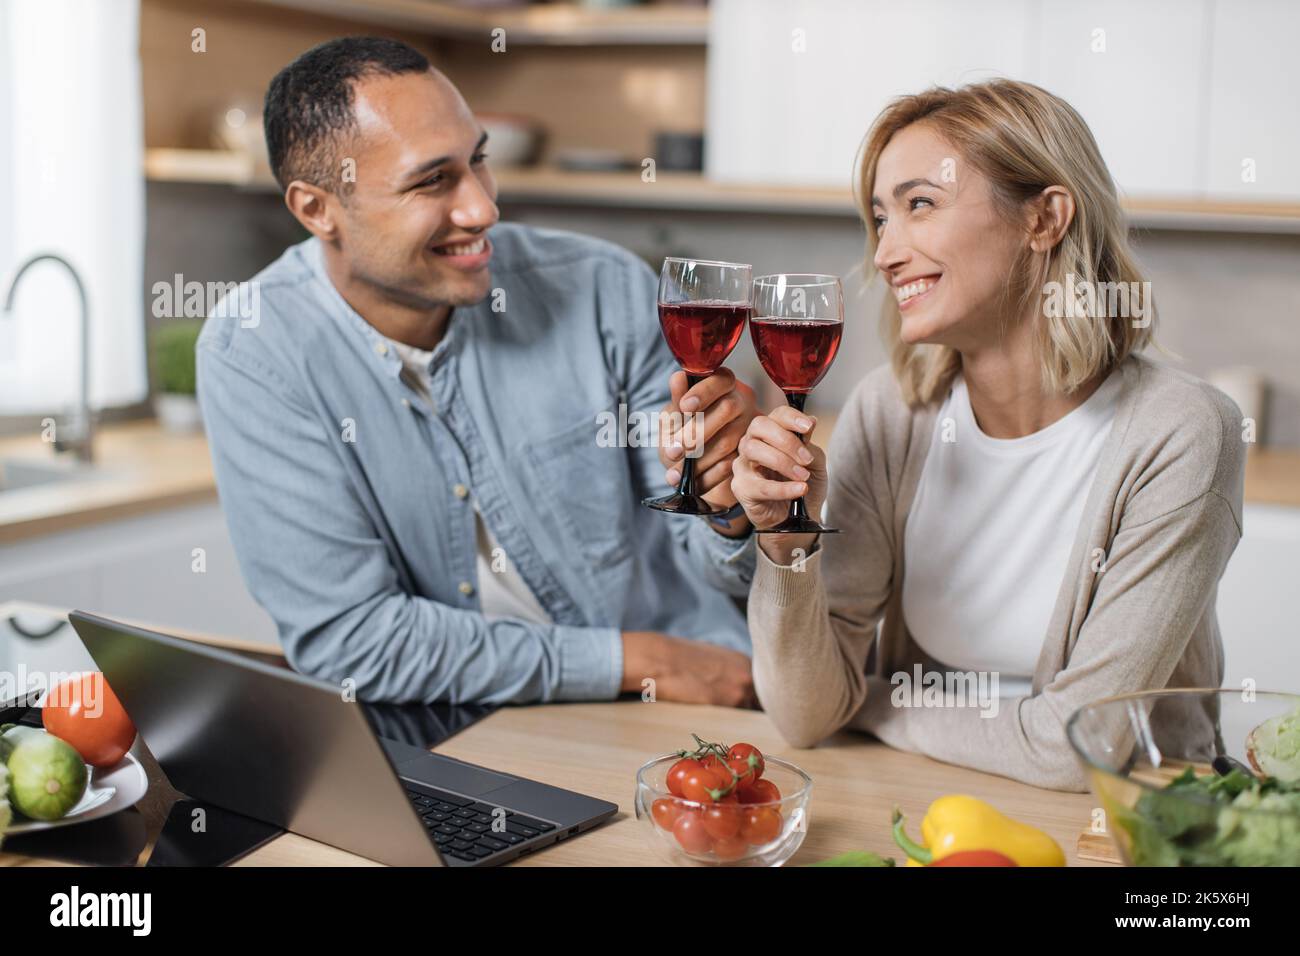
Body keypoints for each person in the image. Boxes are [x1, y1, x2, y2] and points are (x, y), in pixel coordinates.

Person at [196, 37, 760, 707]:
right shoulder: (256, 350)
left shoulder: (603, 289)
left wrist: (729, 511)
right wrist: (632, 661)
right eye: (433, 180)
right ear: (317, 209)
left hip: (687, 710)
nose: (483, 209)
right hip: (462, 733)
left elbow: (719, 567)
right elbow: (351, 640)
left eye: (479, 161)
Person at [733, 79, 1245, 791]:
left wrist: (874, 703)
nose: (885, 253)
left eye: (920, 205)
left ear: (1044, 219)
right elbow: (805, 715)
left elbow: (1079, 748)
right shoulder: (892, 416)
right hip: (933, 808)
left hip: (1132, 831)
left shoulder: (1179, 432)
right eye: (881, 218)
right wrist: (786, 547)